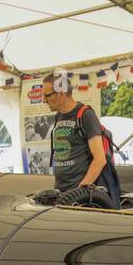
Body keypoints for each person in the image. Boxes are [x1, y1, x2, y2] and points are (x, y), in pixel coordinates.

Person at [41, 71, 119, 207]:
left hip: (81, 199)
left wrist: (78, 193)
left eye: (47, 95)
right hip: (62, 193)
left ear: (61, 94)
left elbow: (100, 160)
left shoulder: (86, 115)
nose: (43, 100)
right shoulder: (58, 116)